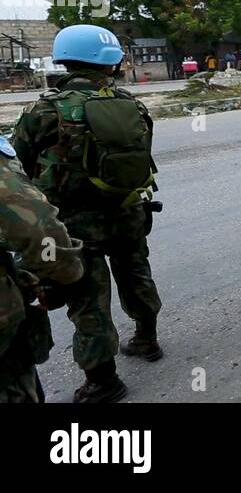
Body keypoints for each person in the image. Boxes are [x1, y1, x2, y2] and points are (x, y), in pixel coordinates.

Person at [13, 24, 165, 403]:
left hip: (77, 223)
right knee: (136, 274)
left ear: (64, 59)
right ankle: (147, 338)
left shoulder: (44, 109)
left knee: (89, 298)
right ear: (112, 63)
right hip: (129, 211)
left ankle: (103, 380)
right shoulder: (132, 104)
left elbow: (19, 165)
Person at [0, 137, 85, 402]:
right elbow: (36, 224)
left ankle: (103, 373)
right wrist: (61, 276)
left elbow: (26, 145)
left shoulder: (41, 111)